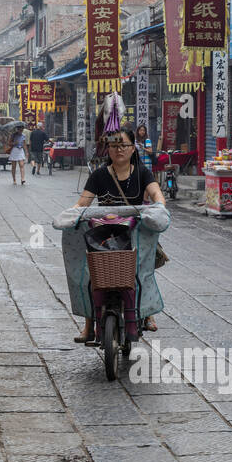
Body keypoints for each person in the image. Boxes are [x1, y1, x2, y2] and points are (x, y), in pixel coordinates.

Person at [71, 126, 165, 342]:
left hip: (135, 233)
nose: (119, 149)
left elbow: (156, 194)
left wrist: (159, 206)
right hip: (104, 234)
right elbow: (84, 202)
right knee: (88, 274)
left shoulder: (143, 172)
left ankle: (147, 312)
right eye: (114, 145)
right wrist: (74, 213)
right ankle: (88, 326)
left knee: (144, 268)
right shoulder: (99, 175)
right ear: (108, 149)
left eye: (124, 145)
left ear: (133, 148)